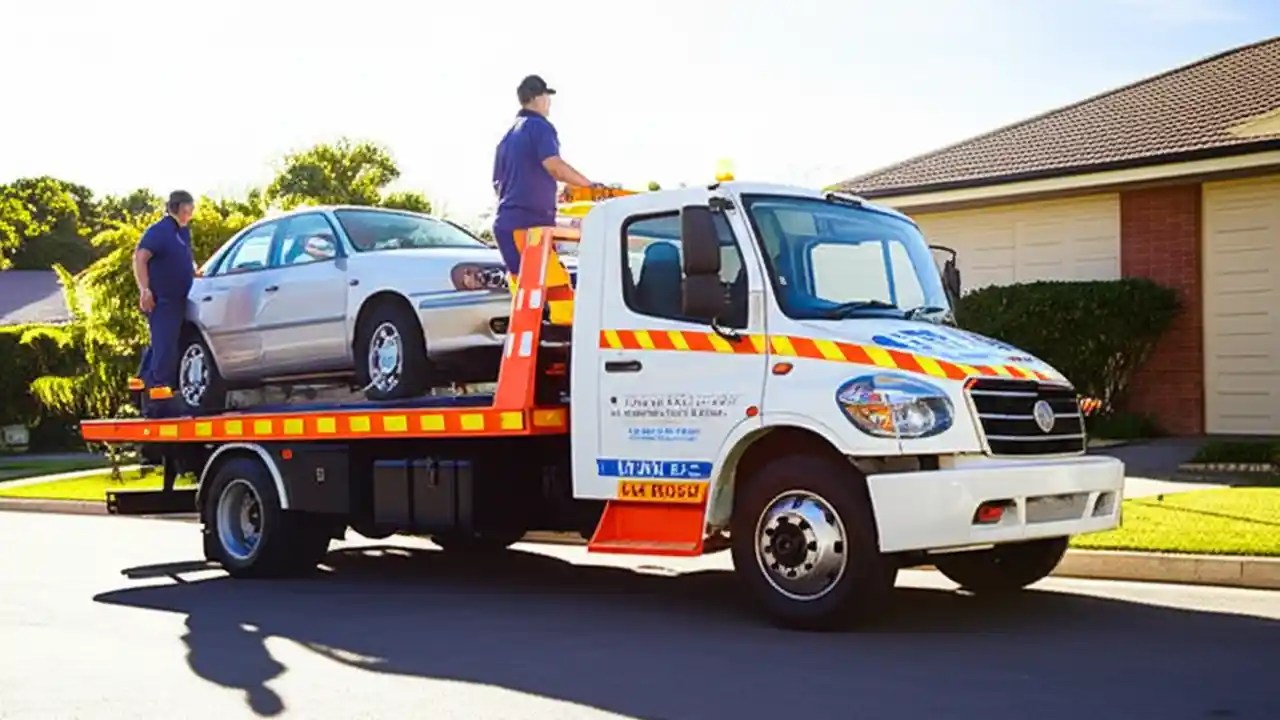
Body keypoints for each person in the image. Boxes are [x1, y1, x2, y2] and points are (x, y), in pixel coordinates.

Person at [491, 74, 596, 277]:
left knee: (525, 294)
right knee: (547, 291)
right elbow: (554, 166)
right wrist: (588, 186)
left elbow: (499, 184)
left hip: (506, 225)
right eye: (547, 97)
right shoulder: (539, 127)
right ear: (537, 98)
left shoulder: (506, 137)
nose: (549, 103)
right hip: (530, 226)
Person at [133, 190, 196, 417]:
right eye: (188, 209)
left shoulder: (182, 233)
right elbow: (140, 257)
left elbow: (185, 260)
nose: (190, 214)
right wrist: (145, 290)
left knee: (163, 345)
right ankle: (158, 404)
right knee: (165, 349)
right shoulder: (160, 231)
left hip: (180, 299)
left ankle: (141, 383)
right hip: (163, 300)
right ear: (178, 208)